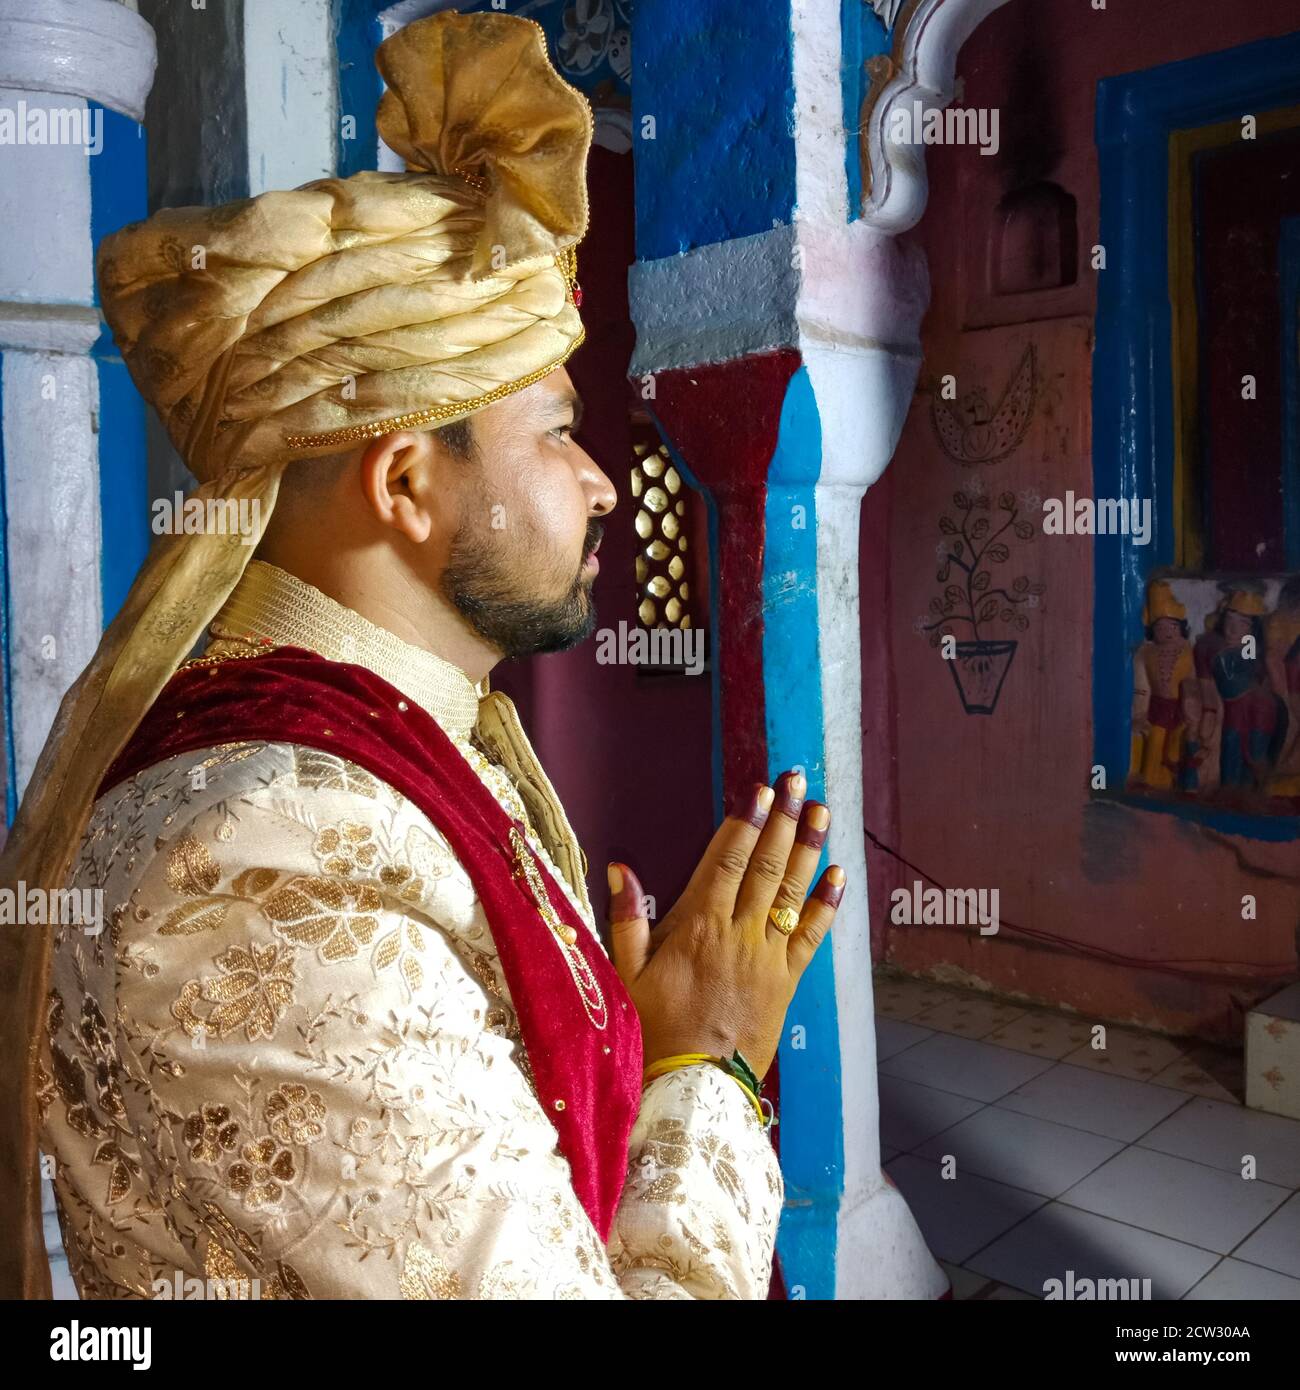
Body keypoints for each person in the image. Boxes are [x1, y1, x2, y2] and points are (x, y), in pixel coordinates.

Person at [0, 10, 843, 1300]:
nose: (603, 484)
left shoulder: (398, 748)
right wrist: (708, 1065)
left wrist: (600, 1049)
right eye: (558, 432)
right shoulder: (256, 860)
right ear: (405, 482)